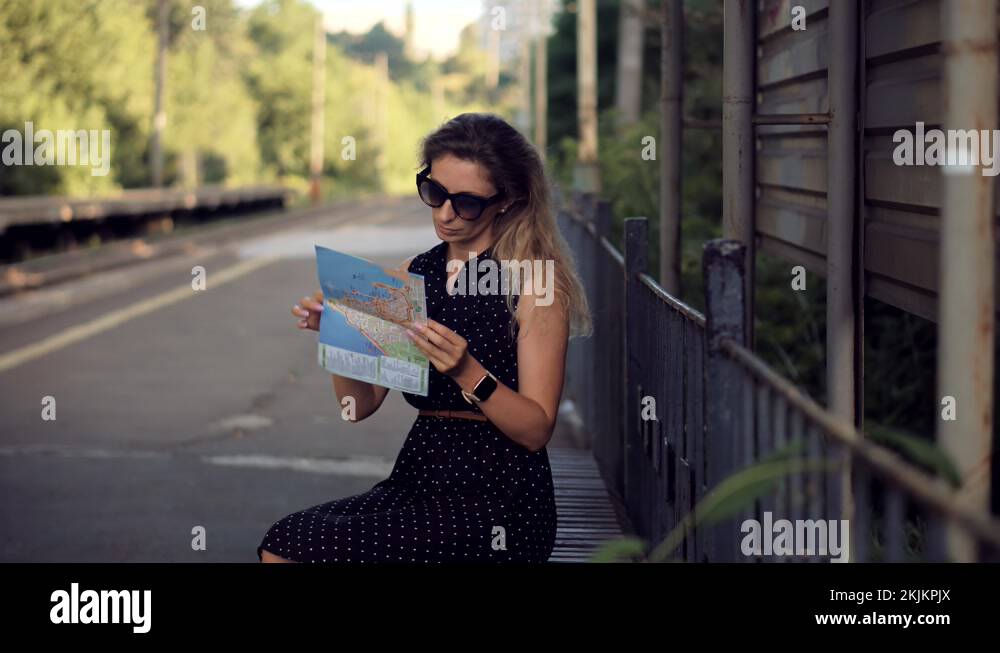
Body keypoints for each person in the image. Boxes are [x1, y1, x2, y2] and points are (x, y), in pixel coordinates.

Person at [257, 113, 591, 563]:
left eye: (467, 202)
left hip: (501, 498)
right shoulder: (414, 274)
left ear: (508, 200)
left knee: (303, 551)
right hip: (419, 478)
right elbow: (359, 407)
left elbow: (535, 430)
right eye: (434, 193)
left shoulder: (534, 285)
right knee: (285, 542)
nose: (445, 213)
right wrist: (342, 334)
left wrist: (466, 371)